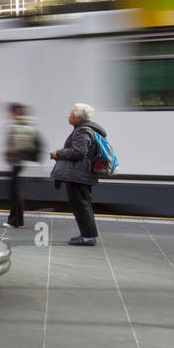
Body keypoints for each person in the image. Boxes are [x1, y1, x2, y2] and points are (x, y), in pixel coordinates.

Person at [50, 102, 105, 246]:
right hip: (81, 174)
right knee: (82, 205)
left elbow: (79, 152)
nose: (69, 116)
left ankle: (88, 237)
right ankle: (86, 235)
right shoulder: (83, 129)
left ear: (79, 117)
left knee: (81, 205)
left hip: (78, 175)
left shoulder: (82, 131)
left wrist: (58, 153)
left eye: (71, 114)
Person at [3, 103, 37, 229]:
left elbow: (15, 146)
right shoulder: (24, 125)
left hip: (16, 162)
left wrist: (9, 155)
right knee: (15, 193)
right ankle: (16, 221)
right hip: (19, 162)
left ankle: (16, 222)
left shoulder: (17, 126)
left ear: (15, 112)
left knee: (14, 193)